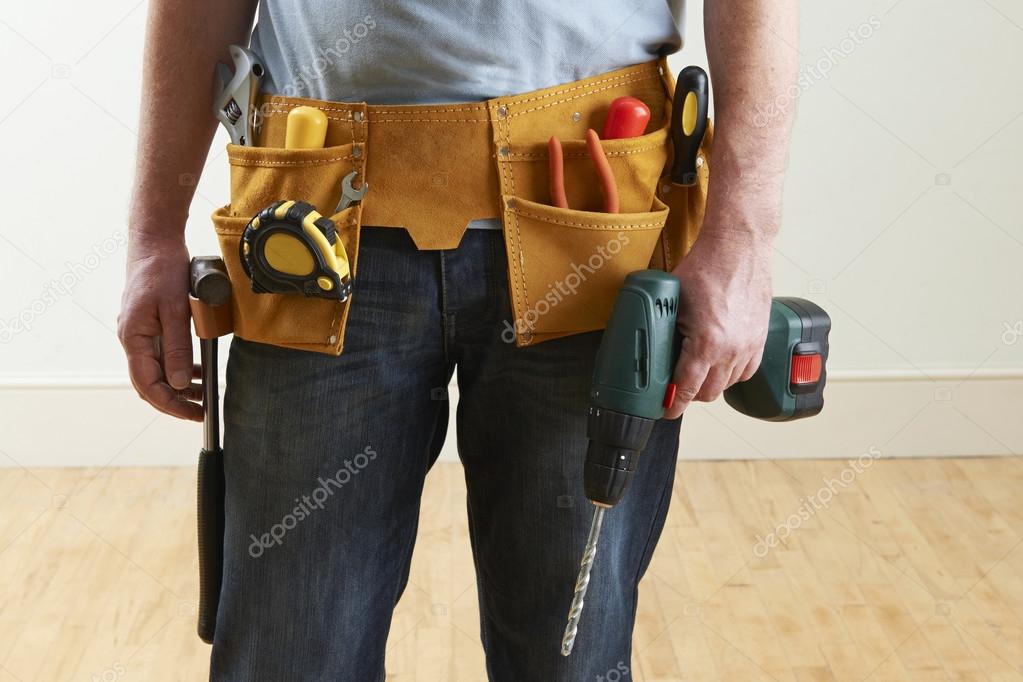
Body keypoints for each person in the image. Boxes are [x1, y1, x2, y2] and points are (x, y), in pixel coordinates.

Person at [118, 1, 797, 679]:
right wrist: (152, 233)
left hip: (594, 235)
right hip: (316, 234)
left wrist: (742, 240)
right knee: (291, 651)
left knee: (568, 651)